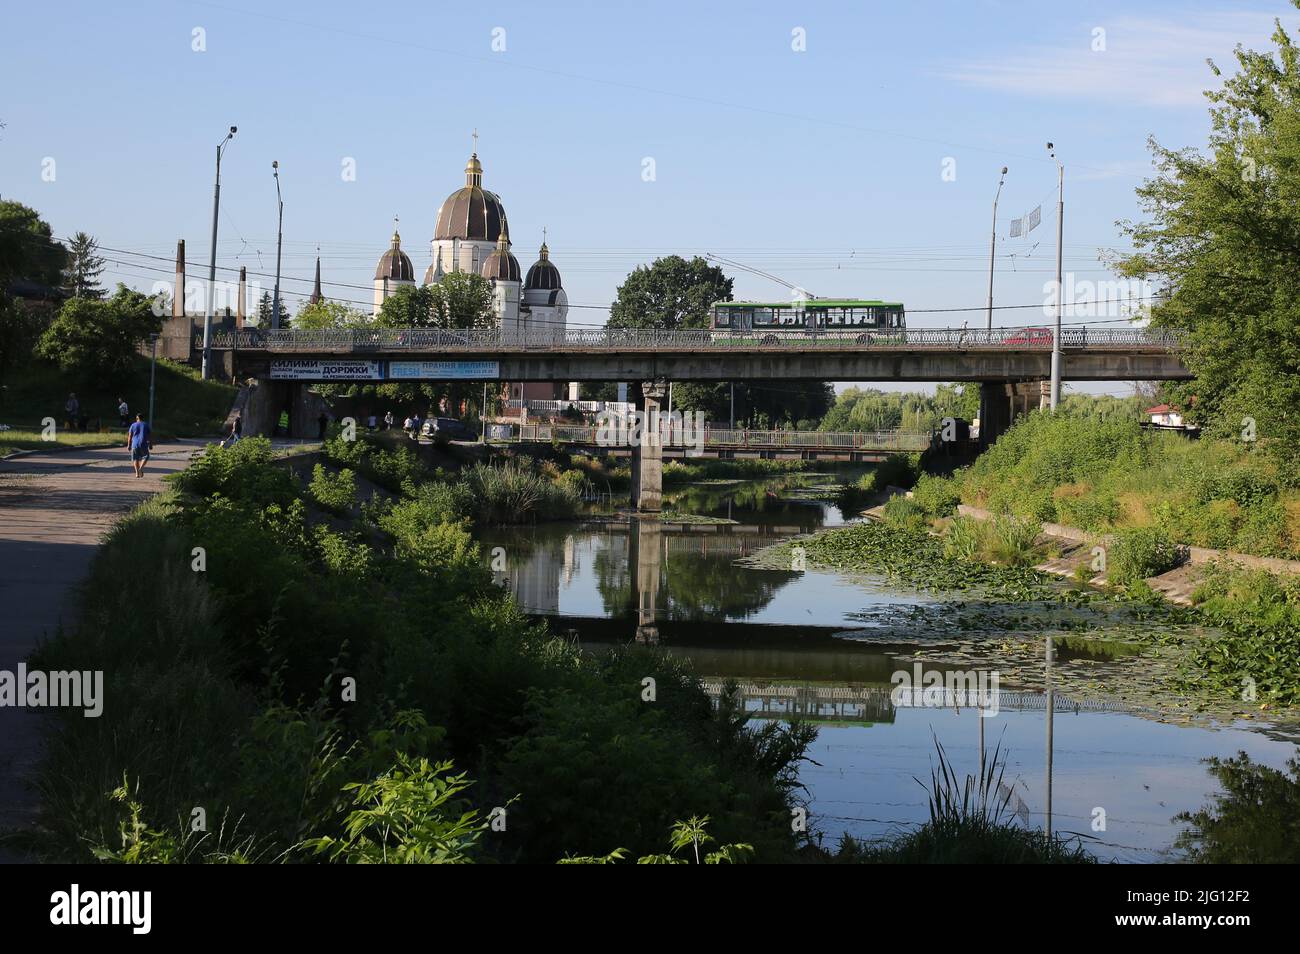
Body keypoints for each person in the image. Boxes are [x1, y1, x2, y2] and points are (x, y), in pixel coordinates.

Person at [126, 413, 152, 478]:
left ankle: (137, 473)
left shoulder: (133, 425)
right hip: (143, 443)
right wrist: (150, 444)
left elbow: (130, 436)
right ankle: (141, 468)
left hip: (134, 444)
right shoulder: (146, 425)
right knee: (146, 456)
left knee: (135, 459)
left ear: (137, 418)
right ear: (143, 418)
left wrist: (128, 445)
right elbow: (149, 436)